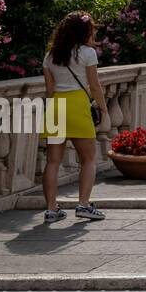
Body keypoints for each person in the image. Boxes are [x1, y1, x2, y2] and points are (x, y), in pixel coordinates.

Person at [41, 12, 110, 222]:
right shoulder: (87, 53)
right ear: (84, 32)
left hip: (56, 106)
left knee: (52, 161)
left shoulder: (50, 55)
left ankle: (51, 210)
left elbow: (49, 89)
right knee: (88, 159)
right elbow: (94, 85)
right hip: (77, 105)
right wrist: (104, 109)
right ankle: (83, 205)